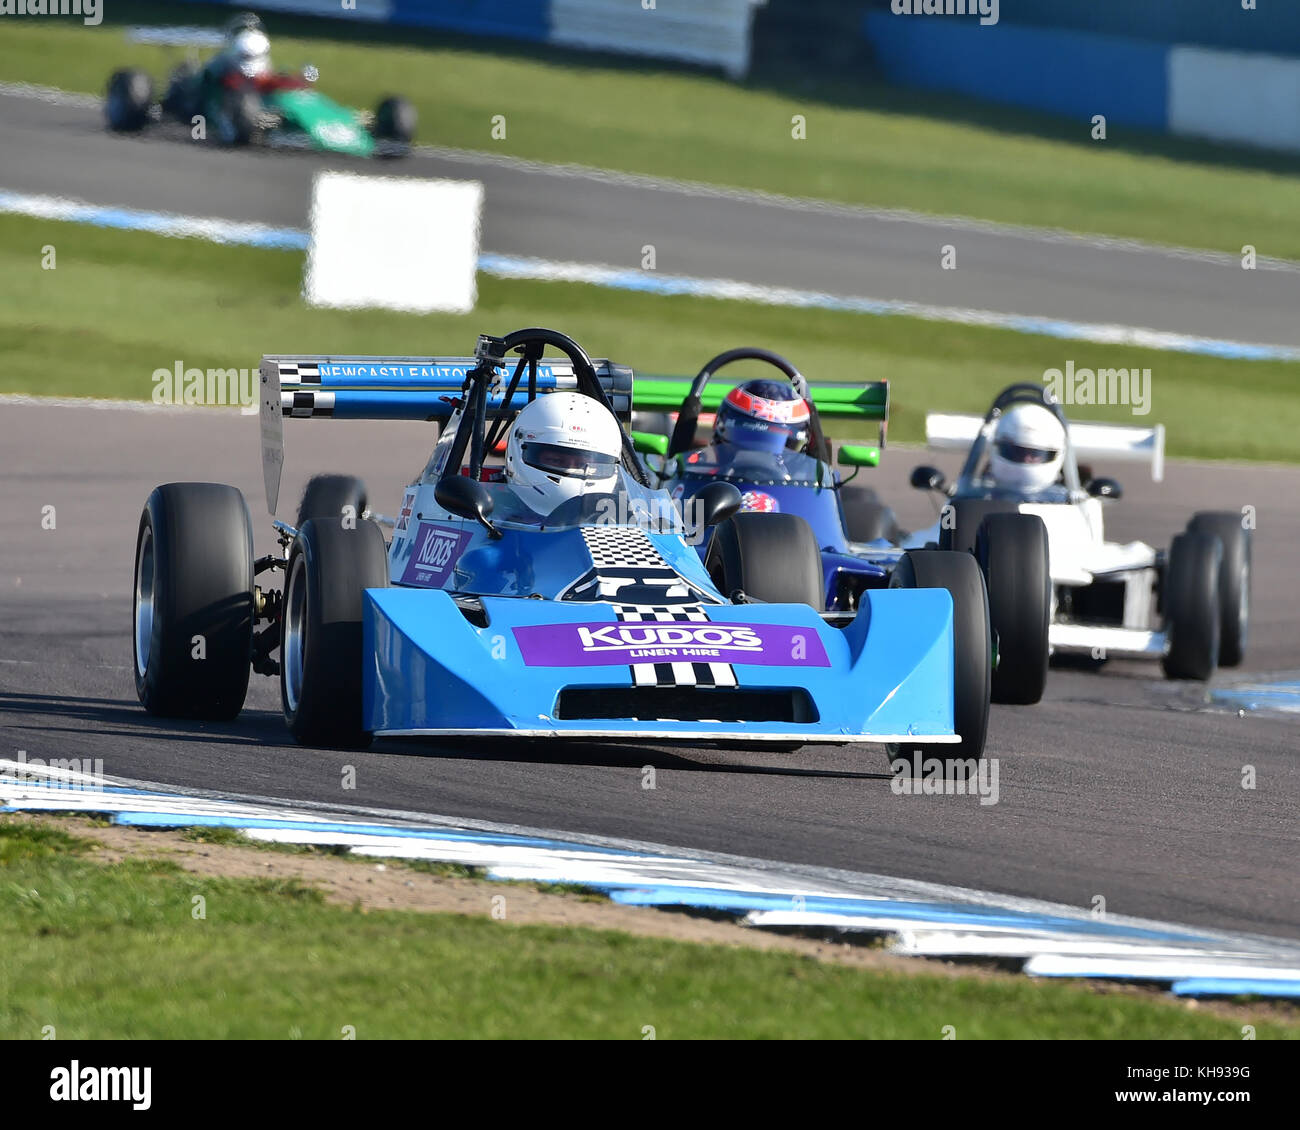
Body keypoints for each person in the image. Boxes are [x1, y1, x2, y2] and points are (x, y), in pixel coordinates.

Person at [504, 392, 623, 515]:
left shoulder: (623, 524)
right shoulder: (486, 515)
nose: (571, 470)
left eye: (585, 465)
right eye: (556, 461)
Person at [711, 379, 810, 454]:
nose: (757, 457)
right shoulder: (700, 474)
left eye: (772, 444)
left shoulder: (811, 479)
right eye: (747, 437)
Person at [986, 402, 1066, 493]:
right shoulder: (978, 496)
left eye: (1034, 454)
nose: (1026, 459)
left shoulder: (1068, 502)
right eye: (1018, 452)